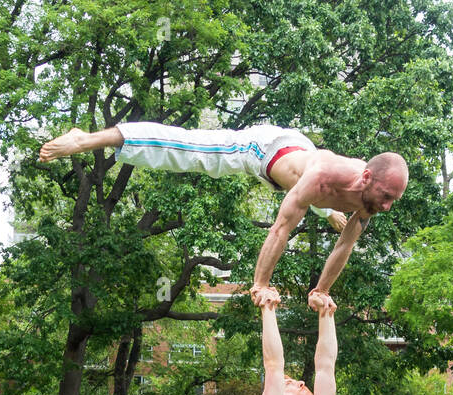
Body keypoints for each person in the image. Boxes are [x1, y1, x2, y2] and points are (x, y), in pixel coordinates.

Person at [41, 123, 409, 311]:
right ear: (366, 179)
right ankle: (86, 139)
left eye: (394, 199)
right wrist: (260, 283)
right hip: (263, 150)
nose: (388, 207)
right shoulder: (323, 176)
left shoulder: (369, 199)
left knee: (322, 203)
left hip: (306, 160)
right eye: (387, 197)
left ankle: (326, 209)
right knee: (191, 148)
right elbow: (281, 228)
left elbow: (343, 248)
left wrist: (321, 291)